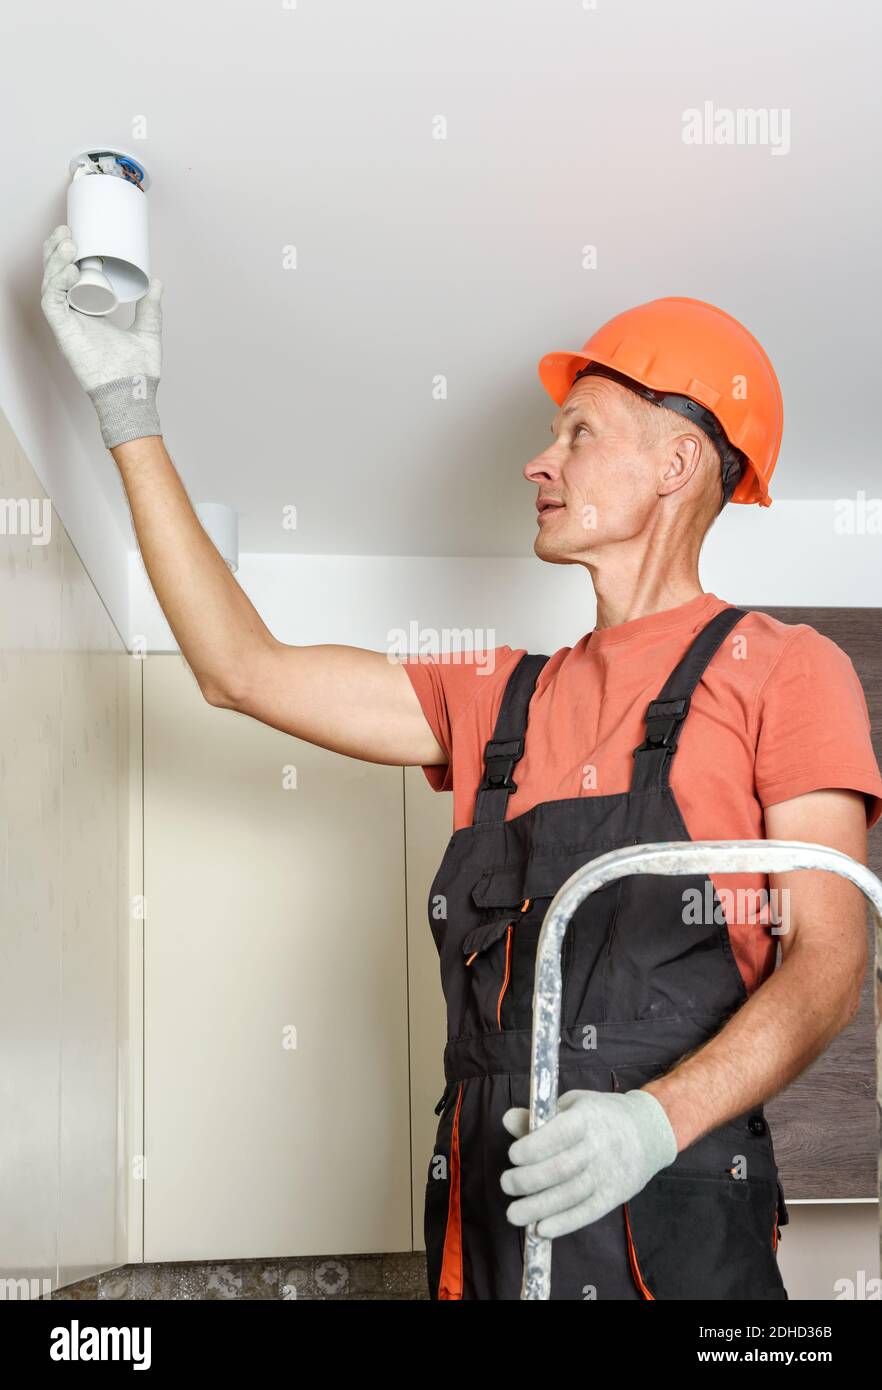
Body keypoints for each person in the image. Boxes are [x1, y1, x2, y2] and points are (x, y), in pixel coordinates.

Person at [41, 228, 882, 1300]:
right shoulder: (496, 696)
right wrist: (128, 410)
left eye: (577, 433)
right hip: (479, 1225)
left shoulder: (785, 671)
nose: (540, 460)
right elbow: (239, 670)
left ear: (676, 462)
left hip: (679, 1224)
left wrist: (650, 1123)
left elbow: (830, 965)